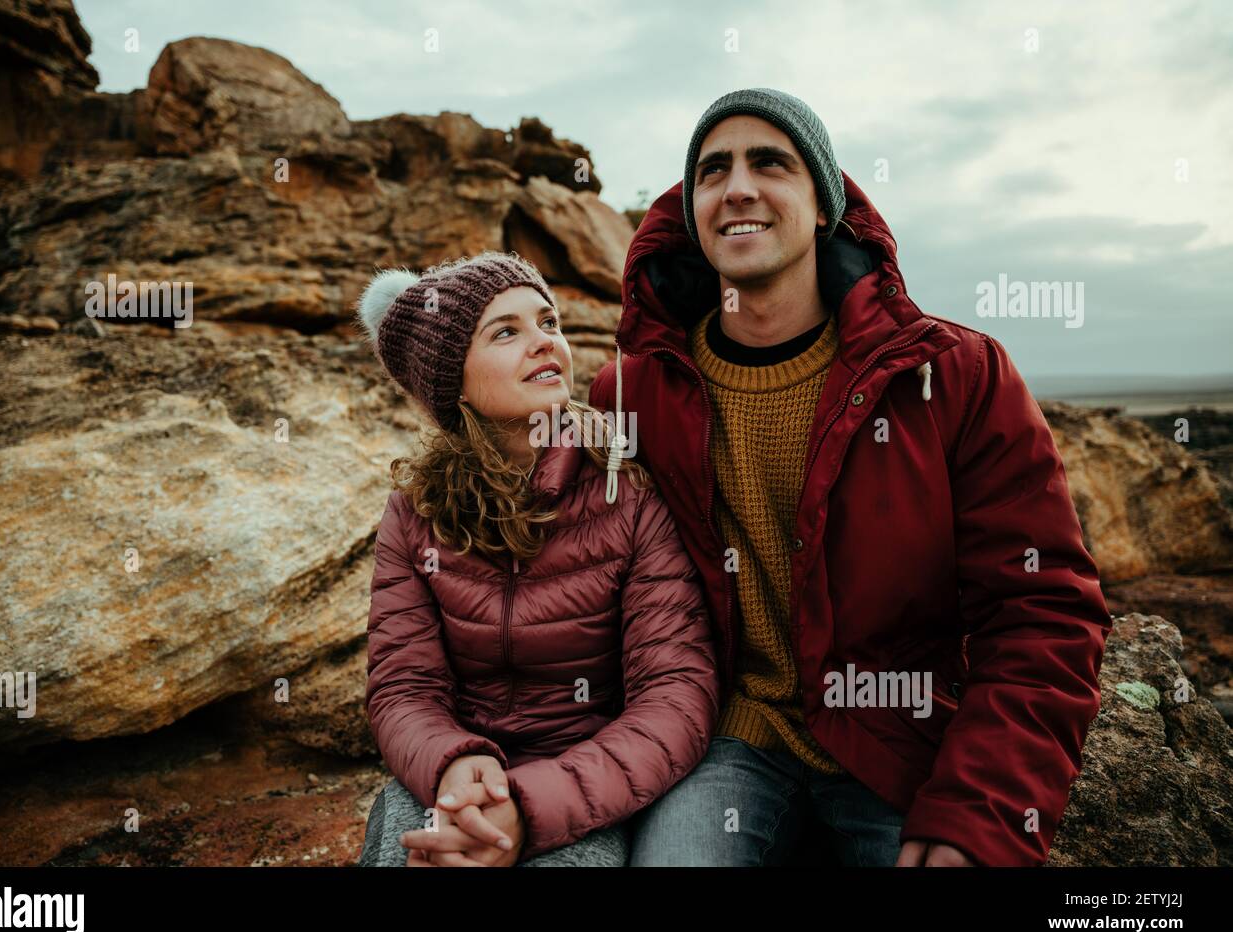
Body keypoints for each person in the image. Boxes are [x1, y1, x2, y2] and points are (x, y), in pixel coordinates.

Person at [589, 88, 1114, 866]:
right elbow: (582, 596)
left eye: (771, 162)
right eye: (711, 170)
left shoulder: (953, 376)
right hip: (724, 740)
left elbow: (1041, 612)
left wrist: (981, 814)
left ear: (825, 205)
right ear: (693, 210)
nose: (737, 187)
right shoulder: (633, 394)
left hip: (895, 743)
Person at [354, 250, 719, 867]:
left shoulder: (625, 491)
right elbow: (403, 685)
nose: (544, 342)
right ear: (452, 383)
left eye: (548, 323)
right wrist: (456, 763)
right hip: (452, 775)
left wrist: (529, 805)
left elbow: (676, 693)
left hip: (585, 785)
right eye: (506, 331)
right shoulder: (415, 510)